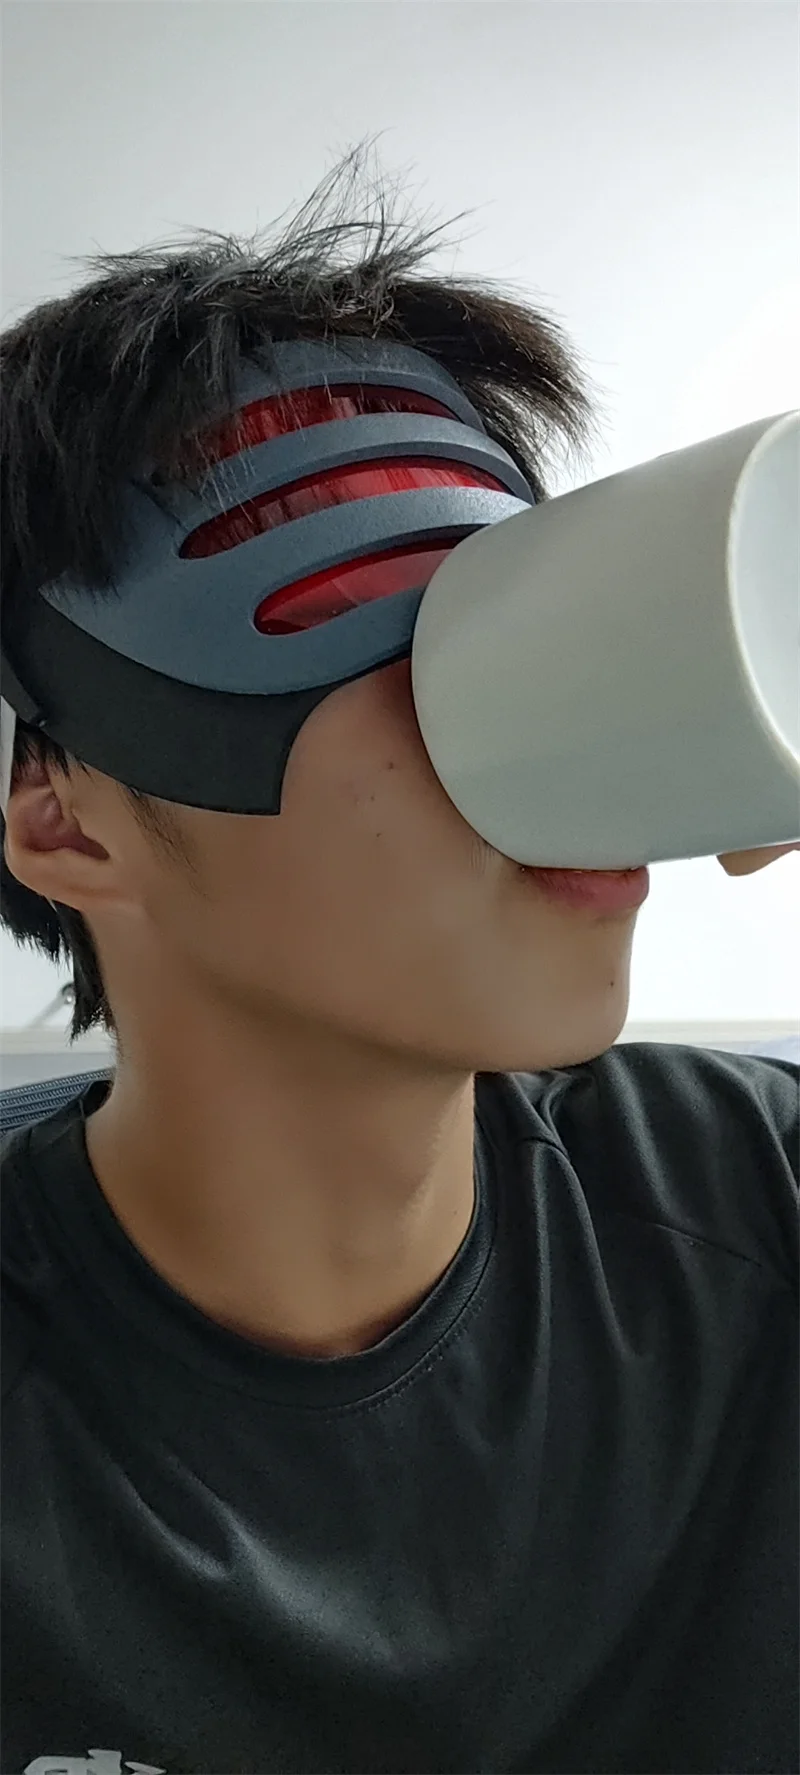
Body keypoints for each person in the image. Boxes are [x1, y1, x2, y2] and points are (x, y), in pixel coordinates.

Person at [2, 154, 797, 1775]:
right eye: (380, 619)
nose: (558, 726)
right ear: (70, 818)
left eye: (521, 607)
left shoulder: (754, 1203)